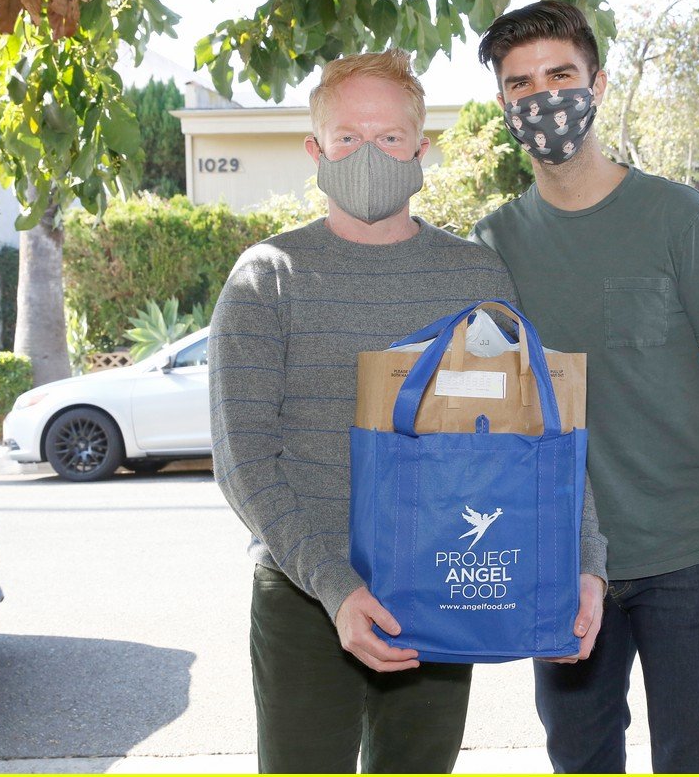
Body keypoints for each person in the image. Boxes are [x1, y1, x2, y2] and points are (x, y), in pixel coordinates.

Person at [209, 49, 607, 774]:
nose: (369, 154)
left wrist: (585, 561)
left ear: (422, 149)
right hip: (306, 596)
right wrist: (336, 587)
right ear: (316, 151)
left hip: (441, 582)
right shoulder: (267, 277)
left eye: (390, 138)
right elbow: (243, 462)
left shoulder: (474, 275)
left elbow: (535, 435)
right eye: (348, 138)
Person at [471, 1, 699, 774]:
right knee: (579, 761)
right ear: (504, 105)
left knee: (695, 762)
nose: (543, 98)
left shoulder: (681, 219)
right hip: (562, 562)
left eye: (561, 75)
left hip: (687, 557)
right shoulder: (493, 245)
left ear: (597, 84)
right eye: (521, 84)